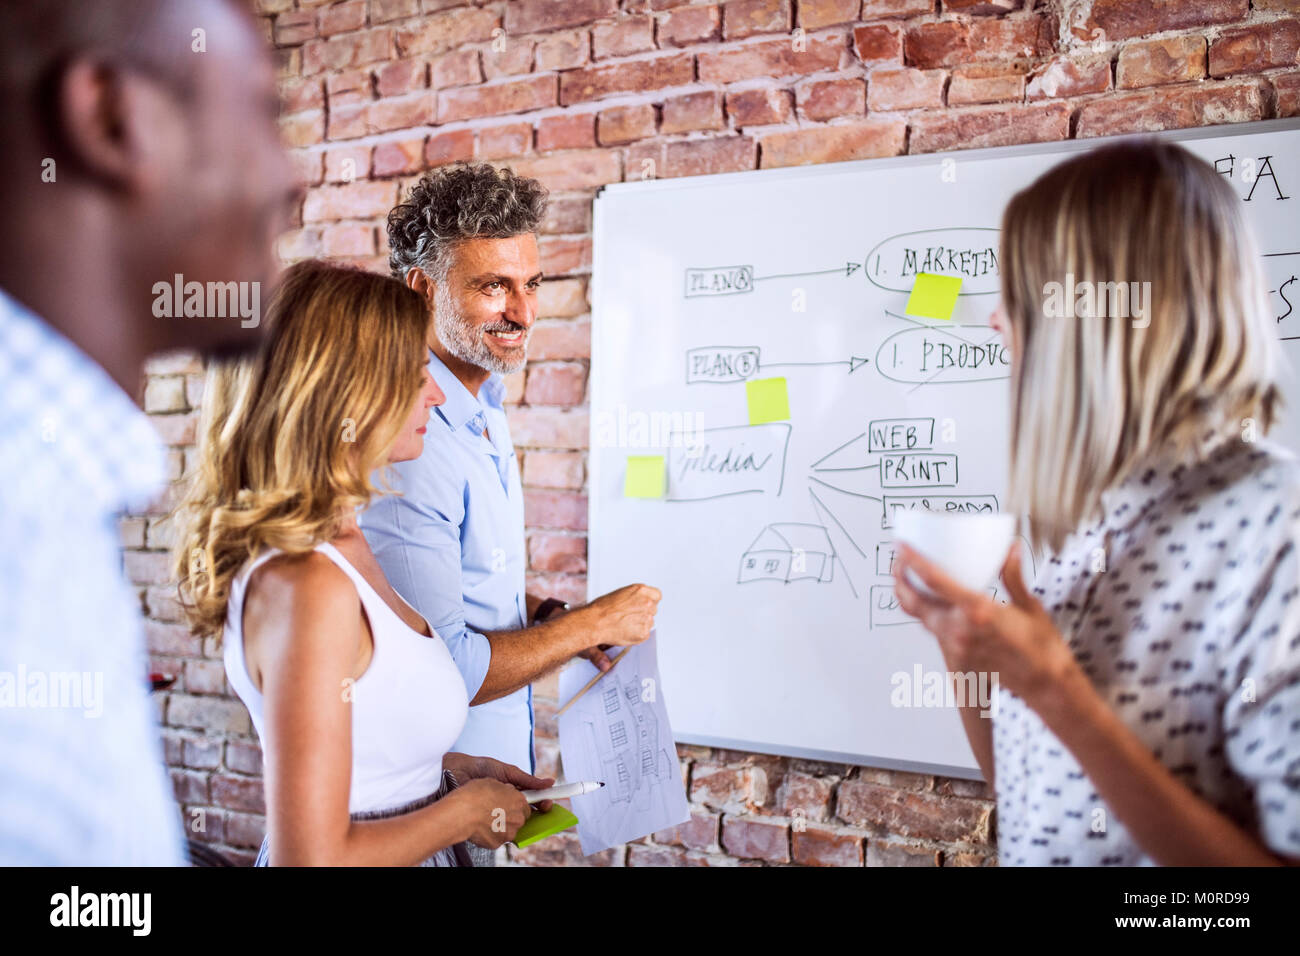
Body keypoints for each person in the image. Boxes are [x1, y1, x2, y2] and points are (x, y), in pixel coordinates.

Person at [893, 139, 1300, 866]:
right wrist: (966, 652)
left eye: (1017, 290)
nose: (994, 319)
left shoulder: (1276, 524)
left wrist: (1060, 695)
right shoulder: (1075, 518)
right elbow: (1027, 793)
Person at [0, 0, 295, 864]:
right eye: (262, 110)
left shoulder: (57, 487)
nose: (288, 174)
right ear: (110, 118)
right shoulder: (19, 517)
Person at [172, 261, 554, 866]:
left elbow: (363, 770)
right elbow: (312, 858)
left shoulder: (345, 543)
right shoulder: (306, 584)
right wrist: (461, 814)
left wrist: (451, 772)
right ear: (342, 390)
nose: (434, 391)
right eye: (414, 370)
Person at [364, 163, 660, 864]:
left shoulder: (483, 406)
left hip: (480, 797)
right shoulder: (413, 438)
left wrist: (548, 619)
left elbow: (439, 583)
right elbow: (445, 666)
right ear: (421, 290)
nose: (523, 313)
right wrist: (595, 623)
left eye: (531, 285)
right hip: (420, 814)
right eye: (493, 286)